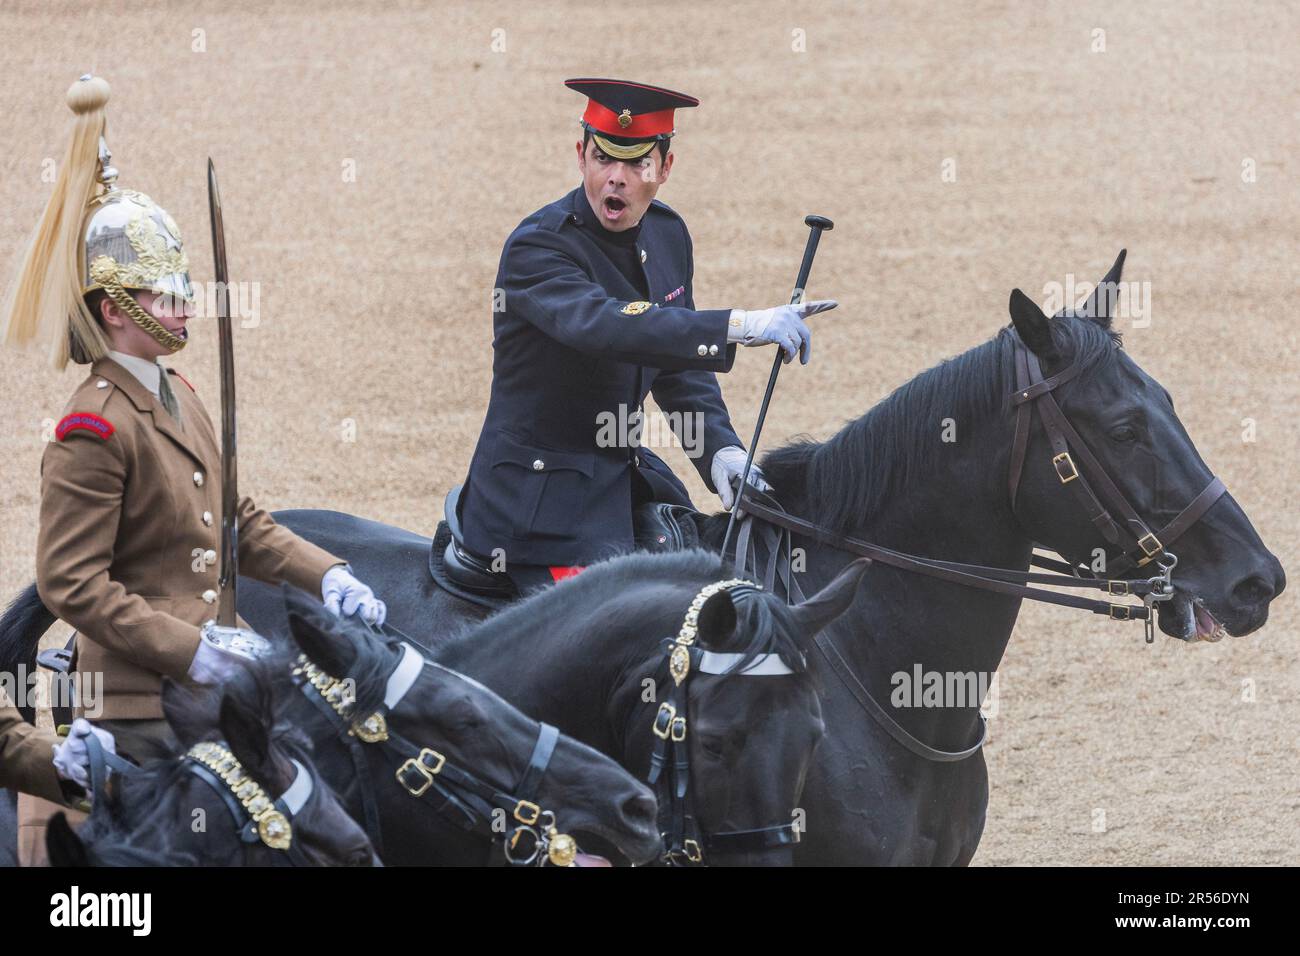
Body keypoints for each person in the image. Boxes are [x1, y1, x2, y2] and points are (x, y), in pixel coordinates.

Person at [0, 76, 386, 859]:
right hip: (140, 705)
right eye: (166, 294)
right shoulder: (91, 426)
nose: (182, 307)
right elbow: (73, 584)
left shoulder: (180, 394)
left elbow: (241, 523)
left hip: (220, 688)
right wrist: (191, 648)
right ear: (115, 309)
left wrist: (327, 575)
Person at [455, 77, 837, 592]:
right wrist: (741, 326)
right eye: (603, 159)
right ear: (580, 156)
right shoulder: (538, 248)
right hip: (534, 510)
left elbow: (676, 367)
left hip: (617, 480)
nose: (617, 178)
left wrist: (721, 451)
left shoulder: (667, 234)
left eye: (637, 163)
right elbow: (609, 326)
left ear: (664, 168)